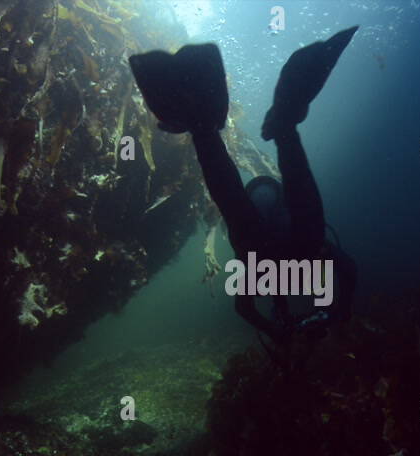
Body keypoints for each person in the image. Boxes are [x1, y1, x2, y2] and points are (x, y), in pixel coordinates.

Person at [129, 26, 359, 344]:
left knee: (301, 234)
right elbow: (347, 271)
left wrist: (276, 330)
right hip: (264, 241)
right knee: (272, 228)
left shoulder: (263, 270)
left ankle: (278, 126)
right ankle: (213, 128)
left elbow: (244, 307)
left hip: (268, 242)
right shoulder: (275, 263)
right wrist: (335, 314)